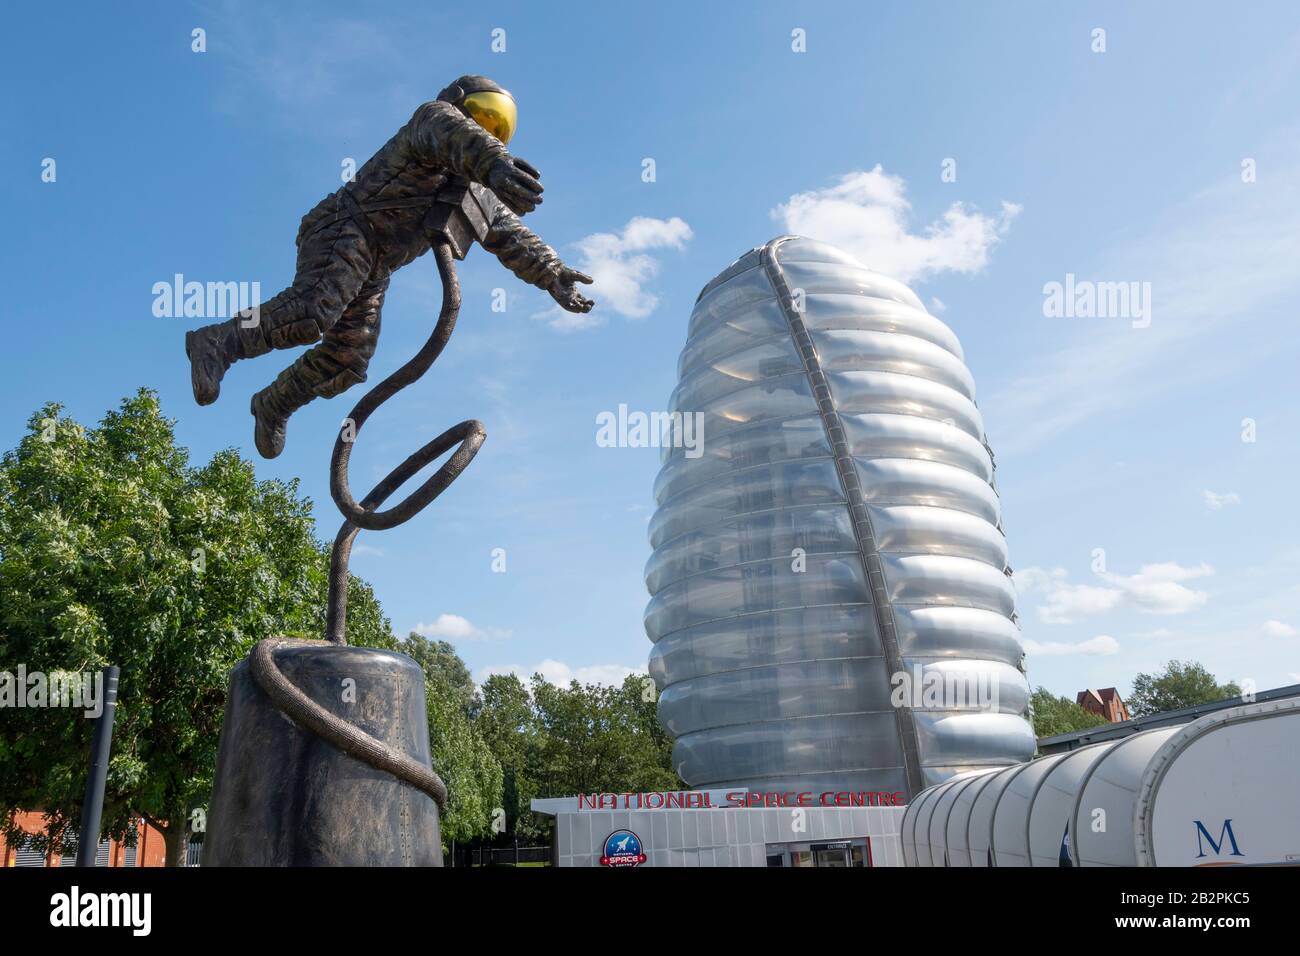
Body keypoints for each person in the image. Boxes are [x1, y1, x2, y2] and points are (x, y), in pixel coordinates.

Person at [185, 75, 594, 458]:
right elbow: (450, 133)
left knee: (349, 358)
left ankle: (275, 402)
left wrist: (553, 274)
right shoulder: (431, 124)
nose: (488, 127)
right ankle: (220, 341)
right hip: (346, 227)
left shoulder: (475, 189)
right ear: (457, 104)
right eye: (484, 113)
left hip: (376, 266)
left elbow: (509, 234)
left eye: (498, 124)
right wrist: (494, 161)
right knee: (313, 310)